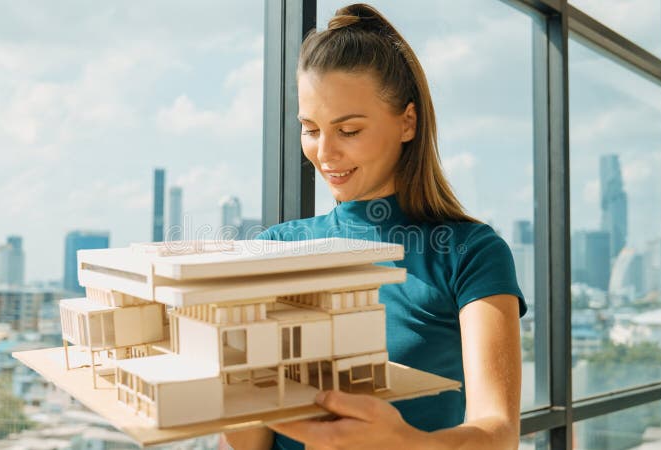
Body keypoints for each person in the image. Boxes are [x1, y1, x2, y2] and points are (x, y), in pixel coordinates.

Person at [225, 3, 526, 449]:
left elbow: (499, 433)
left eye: (348, 131)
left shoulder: (469, 252)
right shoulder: (274, 249)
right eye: (311, 129)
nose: (325, 153)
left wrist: (406, 443)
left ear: (407, 122)